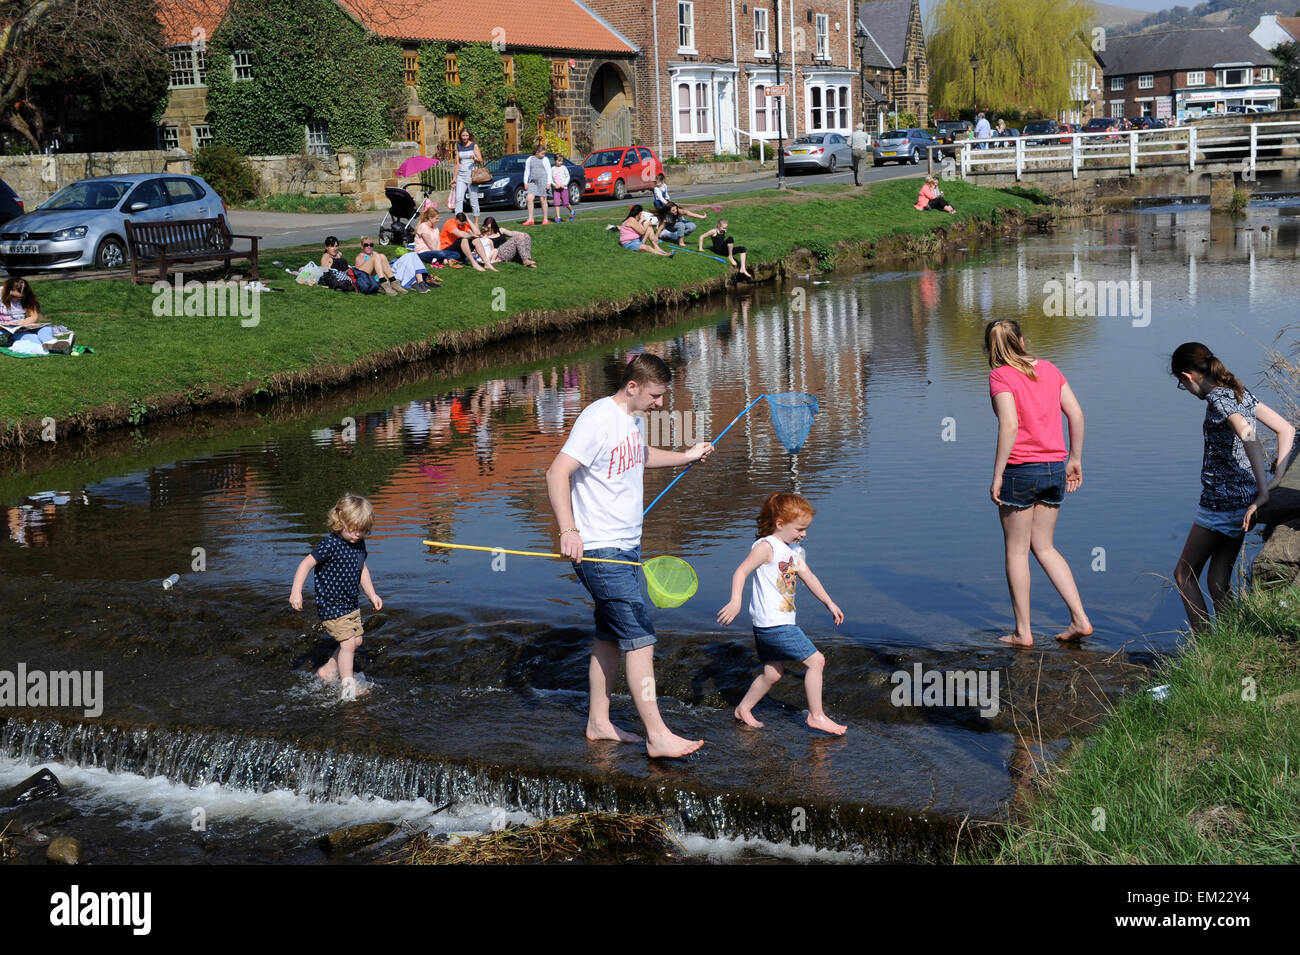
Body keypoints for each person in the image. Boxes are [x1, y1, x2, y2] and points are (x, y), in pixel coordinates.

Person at [545, 353, 713, 758]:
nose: (660, 404)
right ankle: (657, 735)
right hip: (600, 550)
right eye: (655, 396)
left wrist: (685, 457)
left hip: (627, 547)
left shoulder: (634, 421)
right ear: (633, 386)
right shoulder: (597, 417)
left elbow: (639, 456)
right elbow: (556, 472)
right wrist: (568, 530)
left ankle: (599, 722)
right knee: (640, 641)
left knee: (609, 636)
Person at [1170, 342, 1295, 631]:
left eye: (1181, 384)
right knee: (1217, 581)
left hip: (1220, 505)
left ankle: (1205, 647)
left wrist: (1266, 489)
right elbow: (1286, 429)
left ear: (1188, 376)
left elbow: (1248, 432)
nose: (1186, 391)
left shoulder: (1217, 399)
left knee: (1183, 576)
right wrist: (1275, 478)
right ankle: (1229, 641)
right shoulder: (1239, 392)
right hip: (1243, 504)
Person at [985, 319, 1091, 646]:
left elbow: (1010, 425)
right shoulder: (1049, 368)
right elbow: (1076, 413)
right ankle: (1080, 619)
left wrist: (998, 473)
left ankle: (1023, 632)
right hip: (1054, 469)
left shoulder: (1000, 375)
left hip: (1021, 471)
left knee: (1017, 552)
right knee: (1044, 546)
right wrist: (1074, 458)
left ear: (990, 349)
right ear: (1021, 339)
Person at [717, 492, 847, 735]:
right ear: (780, 524)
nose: (804, 533)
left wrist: (828, 602)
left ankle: (743, 708)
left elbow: (809, 577)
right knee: (817, 660)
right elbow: (741, 571)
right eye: (800, 528)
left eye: (806, 528)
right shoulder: (767, 547)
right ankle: (816, 716)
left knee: (772, 673)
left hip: (769, 625)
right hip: (775, 624)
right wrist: (736, 601)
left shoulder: (794, 550)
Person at [289, 493, 383, 701]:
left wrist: (372, 593)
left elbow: (362, 569)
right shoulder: (330, 544)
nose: (357, 534)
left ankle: (329, 669)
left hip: (350, 603)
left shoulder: (359, 544)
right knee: (348, 643)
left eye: (362, 530)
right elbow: (305, 564)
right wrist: (296, 591)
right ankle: (348, 687)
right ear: (339, 521)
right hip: (331, 604)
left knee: (356, 641)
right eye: (353, 529)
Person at [1, 278, 74, 353]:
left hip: (20, 326)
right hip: (6, 330)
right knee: (31, 338)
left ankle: (51, 342)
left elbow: (33, 316)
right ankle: (59, 348)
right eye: (13, 296)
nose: (16, 299)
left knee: (45, 327)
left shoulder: (26, 298)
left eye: (20, 297)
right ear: (6, 290)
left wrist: (19, 323)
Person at [452, 127, 484, 226]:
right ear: (460, 136)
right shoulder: (458, 146)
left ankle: (476, 222)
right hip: (461, 175)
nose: (465, 137)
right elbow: (457, 163)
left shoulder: (474, 145)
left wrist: (474, 157)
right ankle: (458, 221)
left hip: (471, 176)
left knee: (473, 199)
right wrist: (454, 178)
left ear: (469, 136)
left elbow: (480, 160)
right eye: (463, 135)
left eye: (466, 135)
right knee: (458, 199)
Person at [522, 143, 552, 226]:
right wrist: (525, 182)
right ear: (537, 152)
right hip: (532, 182)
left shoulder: (545, 160)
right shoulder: (529, 159)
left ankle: (545, 219)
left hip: (543, 181)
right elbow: (527, 171)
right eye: (542, 153)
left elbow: (549, 172)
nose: (543, 155)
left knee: (543, 200)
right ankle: (530, 218)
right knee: (529, 198)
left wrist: (548, 183)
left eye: (544, 153)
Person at [551, 159, 574, 223]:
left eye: (561, 161)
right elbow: (550, 179)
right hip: (556, 189)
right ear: (555, 161)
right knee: (556, 203)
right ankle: (558, 217)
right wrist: (554, 185)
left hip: (564, 188)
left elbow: (568, 177)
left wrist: (564, 184)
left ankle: (572, 211)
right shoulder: (552, 169)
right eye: (559, 161)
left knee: (565, 203)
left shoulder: (564, 168)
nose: (561, 162)